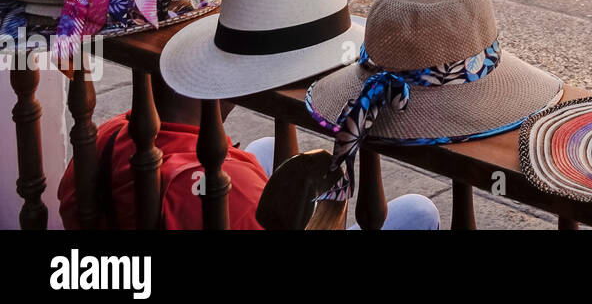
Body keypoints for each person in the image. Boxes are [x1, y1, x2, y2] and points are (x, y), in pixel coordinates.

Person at [56, 70, 440, 230]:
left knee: (268, 148)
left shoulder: (108, 135)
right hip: (215, 206)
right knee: (418, 211)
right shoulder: (229, 187)